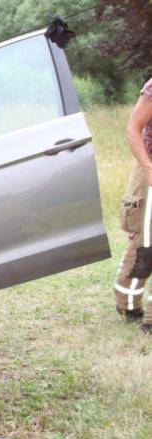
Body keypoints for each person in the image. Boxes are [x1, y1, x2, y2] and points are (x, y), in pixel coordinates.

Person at [114, 77, 152, 333]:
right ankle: (128, 303)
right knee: (144, 245)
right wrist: (148, 168)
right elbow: (132, 128)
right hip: (150, 167)